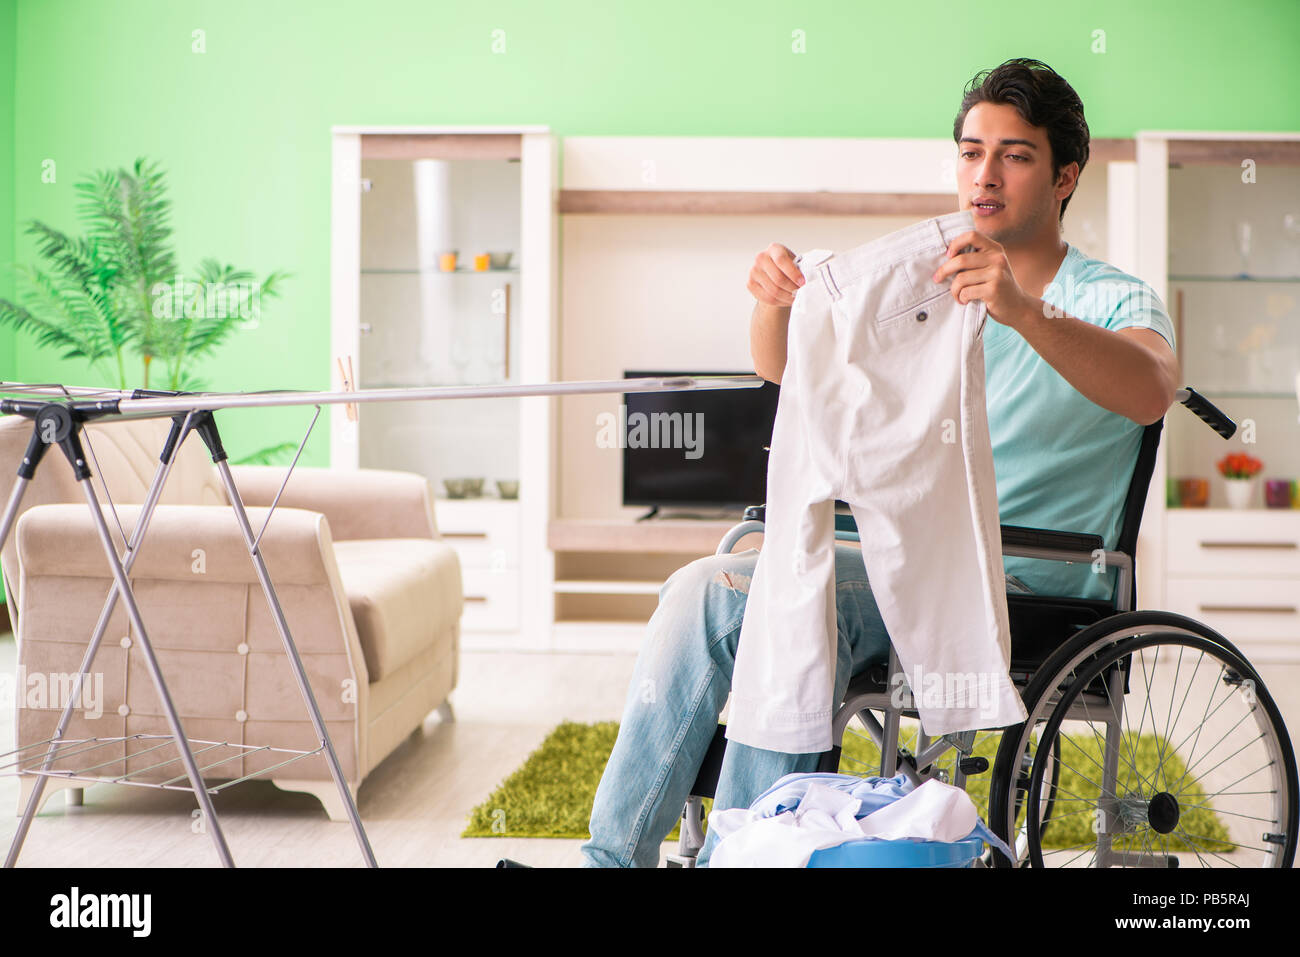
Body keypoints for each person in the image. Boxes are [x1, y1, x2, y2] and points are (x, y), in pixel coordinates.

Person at [579, 57, 1180, 868]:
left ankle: (732, 855)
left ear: (1065, 173)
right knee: (726, 590)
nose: (985, 174)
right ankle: (634, 856)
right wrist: (774, 303)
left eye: (1015, 154)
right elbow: (786, 369)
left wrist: (1021, 311)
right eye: (971, 152)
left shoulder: (1111, 295)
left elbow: (1151, 388)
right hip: (902, 557)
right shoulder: (927, 281)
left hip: (1026, 580)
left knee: (741, 598)